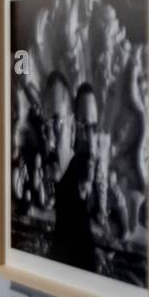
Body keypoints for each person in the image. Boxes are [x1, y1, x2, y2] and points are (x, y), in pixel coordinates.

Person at [52, 83, 100, 272]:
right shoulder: (68, 162)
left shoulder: (94, 159)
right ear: (73, 122)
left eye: (93, 126)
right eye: (83, 124)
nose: (89, 134)